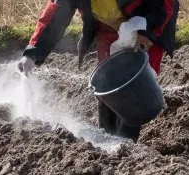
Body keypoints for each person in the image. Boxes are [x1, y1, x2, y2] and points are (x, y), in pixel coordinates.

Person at [18, 0, 179, 142]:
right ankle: (106, 142)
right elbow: (57, 12)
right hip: (108, 27)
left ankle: (126, 147)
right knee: (107, 84)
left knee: (134, 87)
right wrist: (32, 53)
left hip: (148, 20)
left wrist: (148, 30)